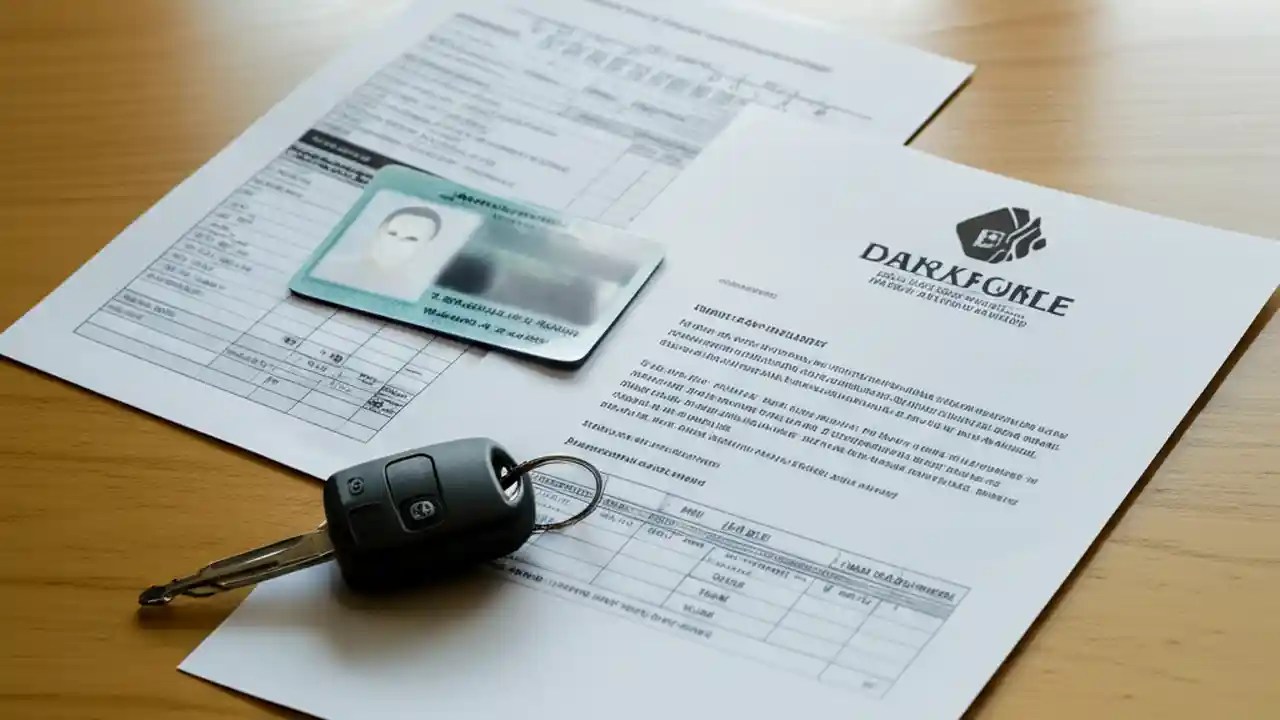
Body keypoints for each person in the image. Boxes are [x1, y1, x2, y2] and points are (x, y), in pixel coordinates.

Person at [311, 205, 452, 302]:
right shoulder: (330, 268)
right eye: (392, 233)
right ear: (379, 232)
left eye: (410, 239)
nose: (395, 244)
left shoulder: (412, 293)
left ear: (425, 247)